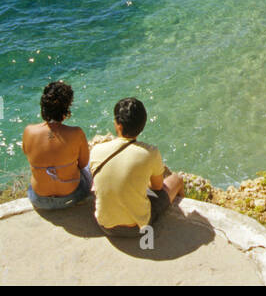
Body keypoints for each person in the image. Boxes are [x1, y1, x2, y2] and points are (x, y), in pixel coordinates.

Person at [90, 97, 184, 237]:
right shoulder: (150, 152)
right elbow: (158, 188)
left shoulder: (97, 150)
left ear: (118, 125)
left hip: (104, 225)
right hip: (137, 229)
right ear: (142, 125)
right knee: (177, 179)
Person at [22, 81, 92, 210]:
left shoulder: (29, 131)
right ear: (67, 108)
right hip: (73, 196)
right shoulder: (76, 133)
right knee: (90, 161)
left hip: (38, 199)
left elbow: (27, 153)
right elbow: (82, 164)